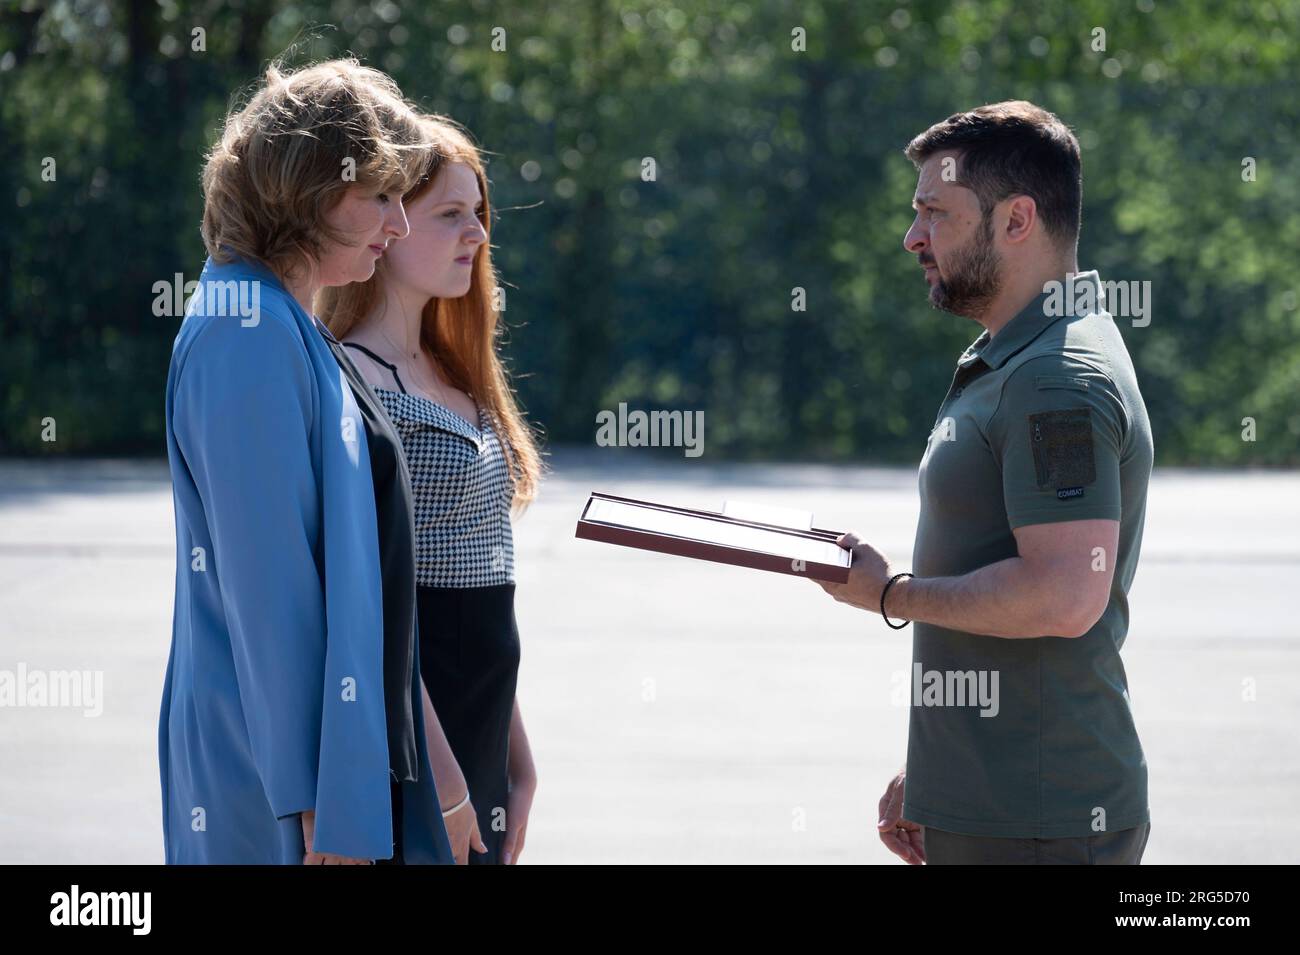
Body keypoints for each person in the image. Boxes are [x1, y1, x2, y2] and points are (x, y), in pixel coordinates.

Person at [815, 101, 1153, 865]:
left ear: (1017, 219)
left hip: (1039, 819)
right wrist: (940, 777)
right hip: (1000, 803)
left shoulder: (1056, 377)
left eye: (935, 212)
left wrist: (890, 593)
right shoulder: (1021, 354)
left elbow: (1064, 593)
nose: (913, 237)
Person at [159, 58, 454, 864]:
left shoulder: (278, 319)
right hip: (279, 794)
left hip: (312, 777)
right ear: (310, 190)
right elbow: (272, 590)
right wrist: (323, 802)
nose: (398, 226)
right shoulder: (245, 329)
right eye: (382, 195)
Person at [319, 116, 545, 865]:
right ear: (389, 218)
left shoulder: (457, 375)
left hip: (480, 732)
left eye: (479, 214)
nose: (477, 234)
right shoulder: (352, 381)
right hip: (415, 743)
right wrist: (445, 784)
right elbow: (379, 614)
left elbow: (484, 588)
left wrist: (521, 760)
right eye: (451, 213)